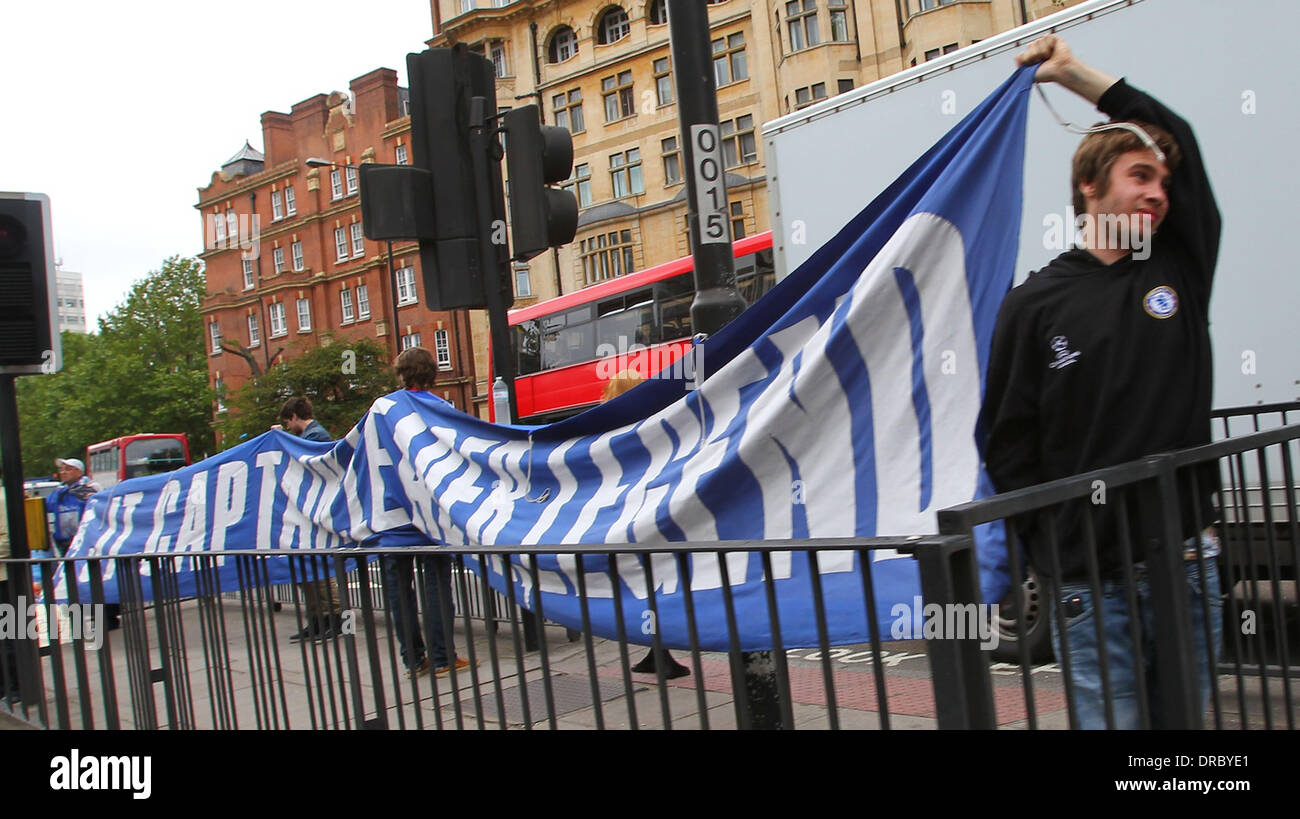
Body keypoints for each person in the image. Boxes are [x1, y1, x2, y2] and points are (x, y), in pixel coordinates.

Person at [979, 36, 1222, 728]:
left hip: (1185, 562)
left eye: (1163, 183)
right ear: (1090, 185)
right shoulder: (1033, 304)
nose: (1157, 193)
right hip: (1089, 582)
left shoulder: (1177, 267)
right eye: (1139, 176)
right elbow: (1009, 442)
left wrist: (1078, 77)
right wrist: (1052, 552)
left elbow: (1185, 143)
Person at [383, 348, 470, 679]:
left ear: (401, 373)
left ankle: (413, 659)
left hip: (392, 514)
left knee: (398, 587)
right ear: (432, 373)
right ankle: (442, 656)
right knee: (435, 581)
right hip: (429, 513)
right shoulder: (441, 409)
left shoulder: (383, 410)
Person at [602, 370, 690, 680]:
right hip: (652, 512)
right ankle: (659, 652)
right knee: (659, 581)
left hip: (629, 515)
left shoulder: (609, 429)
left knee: (648, 583)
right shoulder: (649, 424)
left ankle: (659, 651)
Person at [274, 396, 345, 642]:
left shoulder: (316, 437)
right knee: (308, 574)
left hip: (316, 512)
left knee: (322, 572)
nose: (288, 426)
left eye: (287, 421)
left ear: (294, 416)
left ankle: (334, 622)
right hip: (307, 512)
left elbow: (302, 464)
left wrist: (281, 441)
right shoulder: (310, 436)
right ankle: (317, 621)